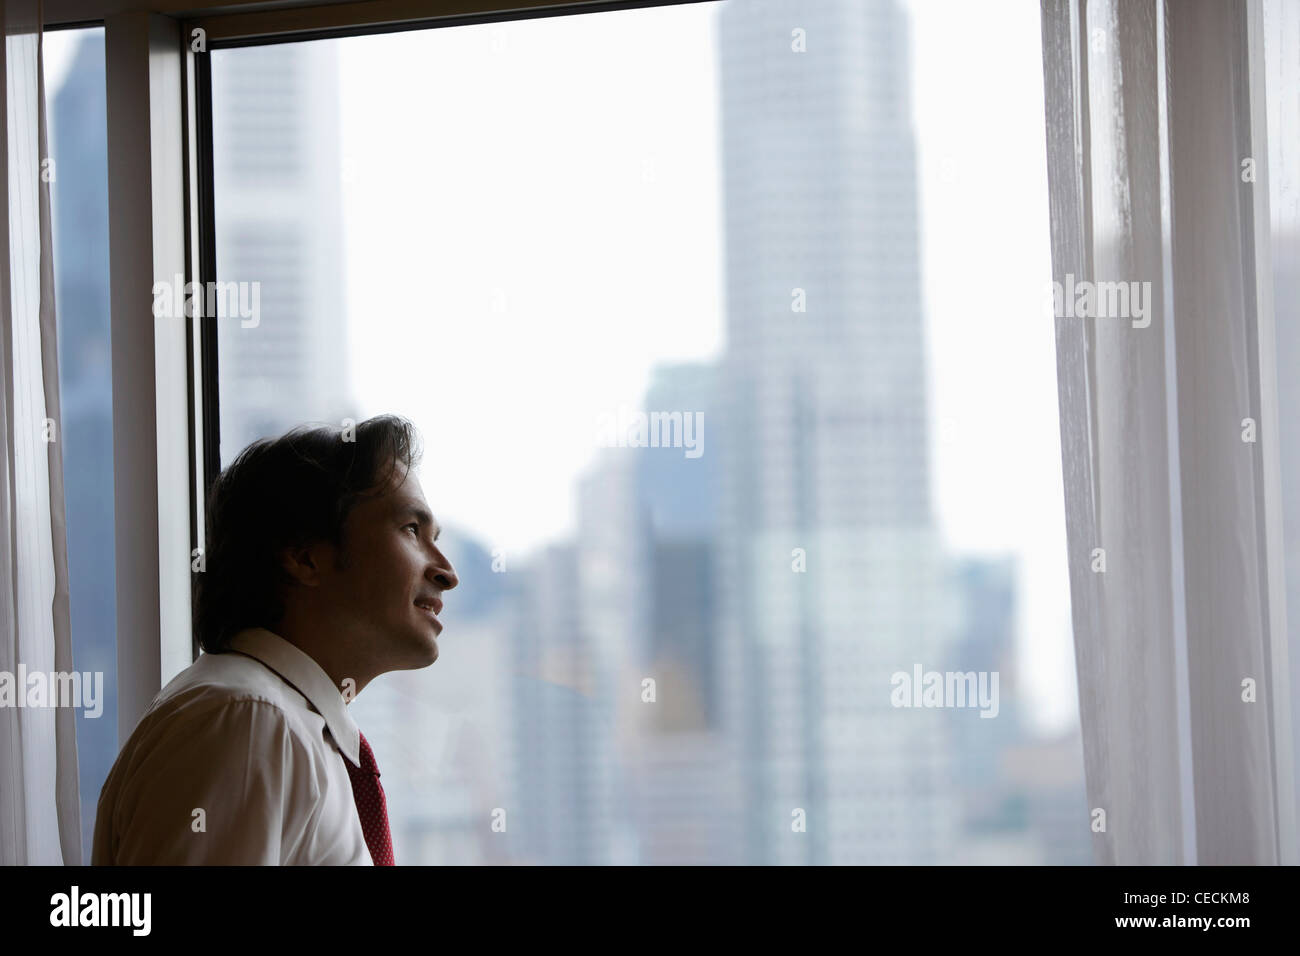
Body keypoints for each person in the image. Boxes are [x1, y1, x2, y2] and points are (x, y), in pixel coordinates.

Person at [92, 414, 458, 865]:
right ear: (305, 557)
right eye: (411, 530)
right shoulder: (248, 720)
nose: (447, 572)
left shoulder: (276, 723)